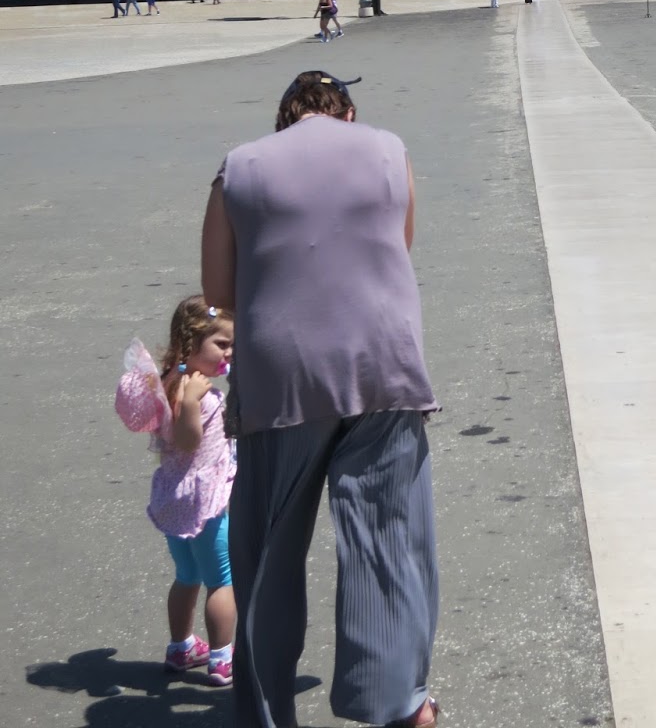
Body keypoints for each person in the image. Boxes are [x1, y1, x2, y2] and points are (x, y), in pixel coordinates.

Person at [202, 72, 440, 728]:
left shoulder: (239, 168)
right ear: (350, 114)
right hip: (384, 363)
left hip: (283, 375)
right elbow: (400, 247)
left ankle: (267, 713)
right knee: (389, 538)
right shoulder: (390, 150)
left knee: (268, 552)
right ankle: (400, 705)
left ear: (284, 119)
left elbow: (217, 290)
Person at [114, 295, 237, 687]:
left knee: (187, 574)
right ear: (190, 343)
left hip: (173, 498)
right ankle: (221, 657)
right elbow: (187, 440)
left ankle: (182, 646)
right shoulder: (193, 394)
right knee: (222, 578)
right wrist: (189, 404)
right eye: (221, 344)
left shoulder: (165, 381)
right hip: (204, 502)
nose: (229, 353)